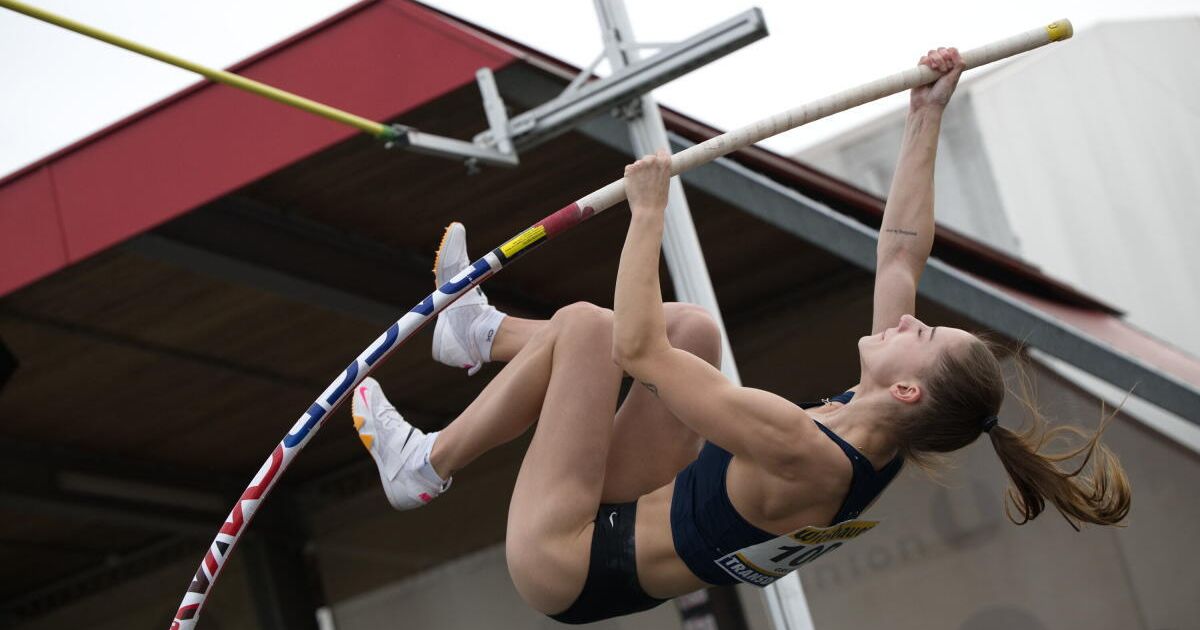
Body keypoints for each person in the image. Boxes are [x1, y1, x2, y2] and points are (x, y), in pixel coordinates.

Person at [349, 48, 1130, 624]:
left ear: (908, 387)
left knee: (591, 331)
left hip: (571, 561)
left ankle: (424, 463)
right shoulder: (882, 422)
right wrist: (928, 115)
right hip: (636, 507)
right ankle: (476, 333)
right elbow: (900, 250)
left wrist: (647, 210)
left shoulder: (802, 447)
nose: (906, 317)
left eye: (920, 333)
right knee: (692, 329)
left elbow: (635, 354)